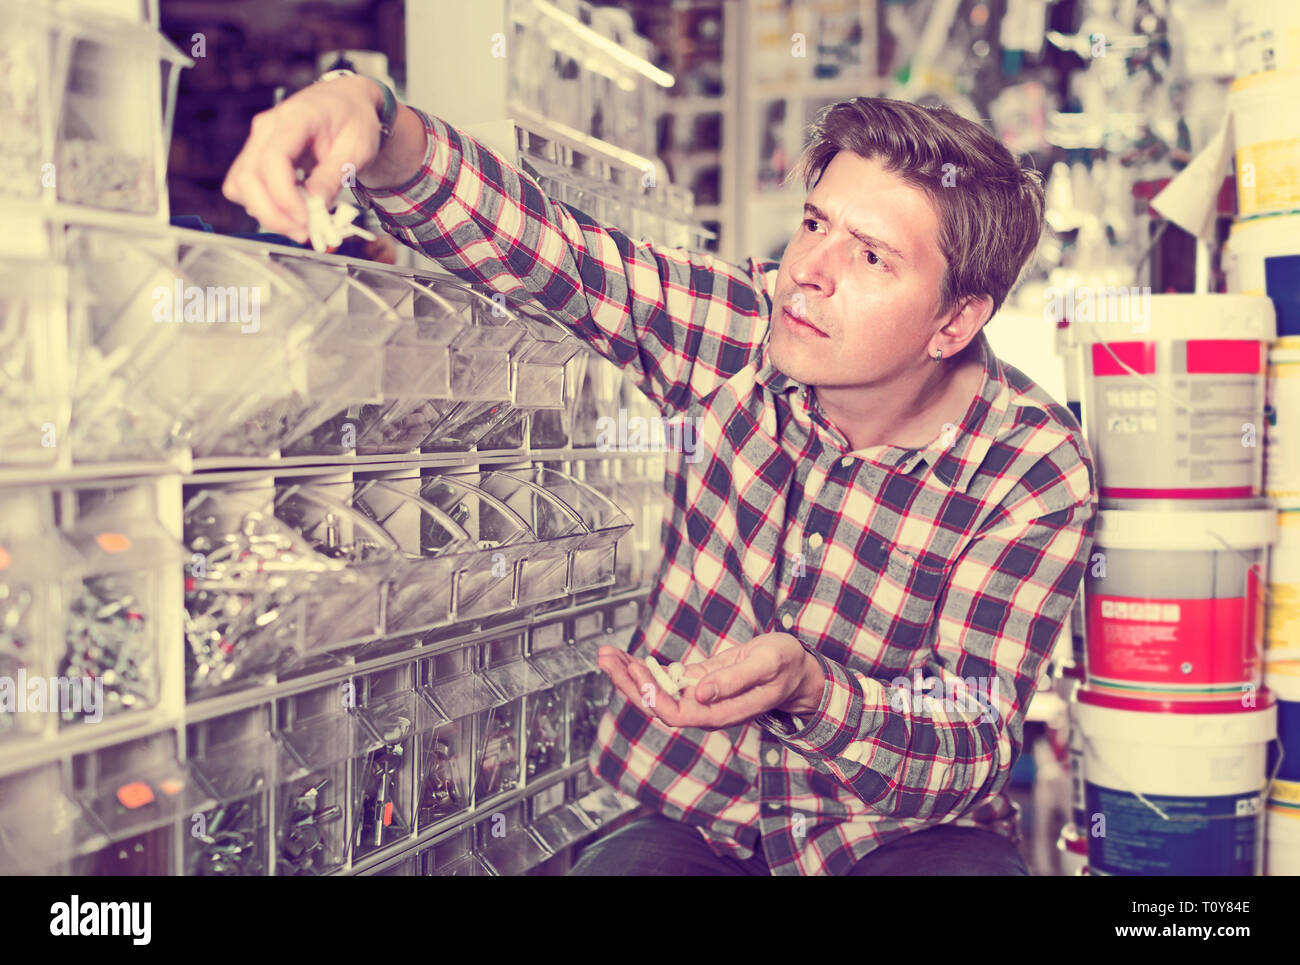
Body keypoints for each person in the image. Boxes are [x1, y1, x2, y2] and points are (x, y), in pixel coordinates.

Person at [223, 74, 1097, 876]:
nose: (808, 272)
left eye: (870, 256)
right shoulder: (742, 333)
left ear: (955, 319)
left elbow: (968, 732)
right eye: (814, 223)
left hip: (897, 835)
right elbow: (553, 252)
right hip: (692, 810)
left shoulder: (1028, 464)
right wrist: (373, 120)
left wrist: (815, 690)